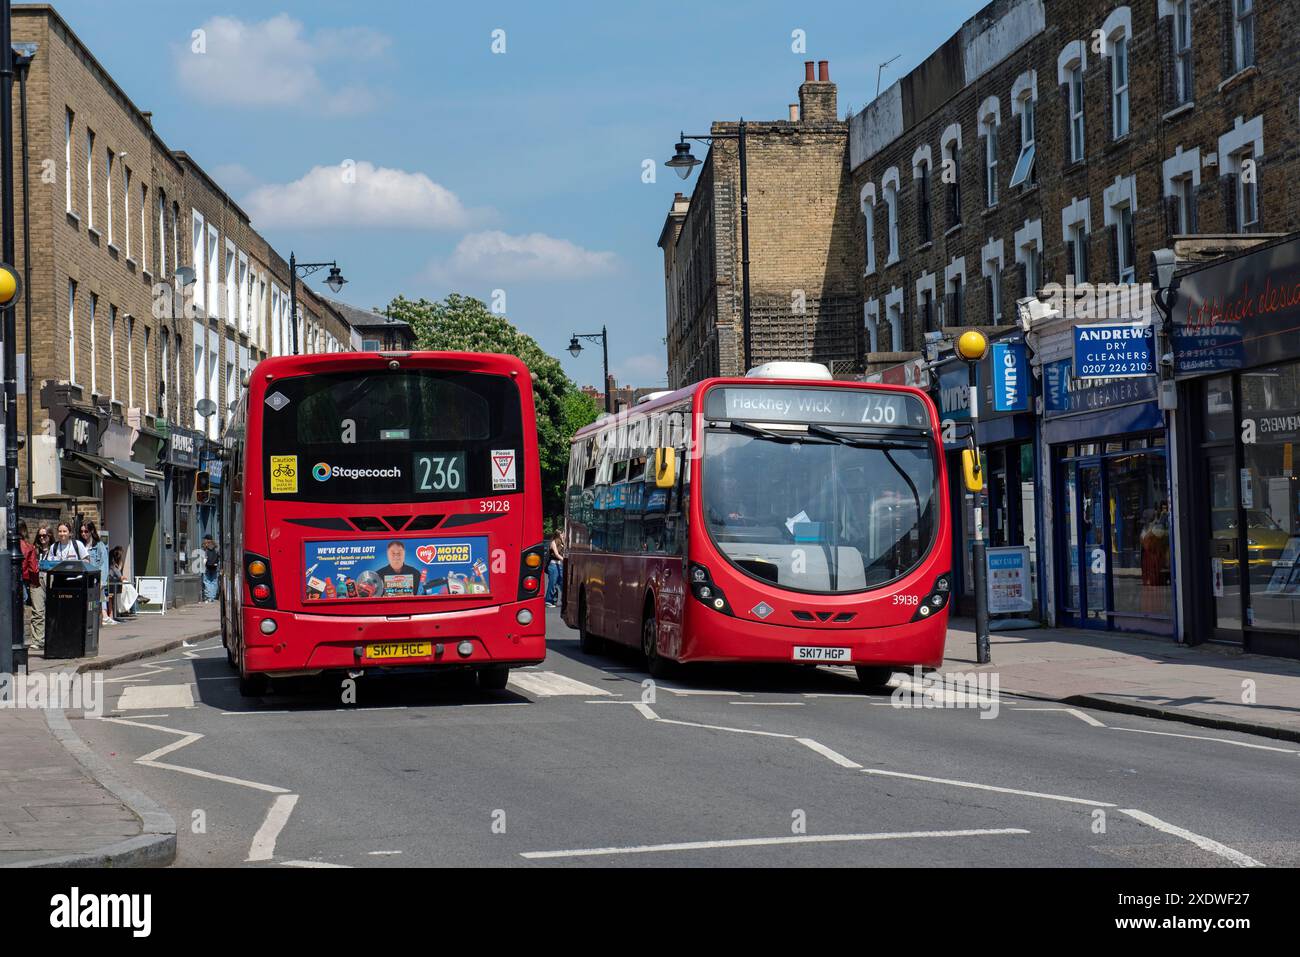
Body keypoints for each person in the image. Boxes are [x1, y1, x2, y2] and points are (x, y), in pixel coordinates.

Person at [81, 521, 113, 626]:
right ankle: (103, 616)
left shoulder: (99, 545)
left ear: (92, 531)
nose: (83, 534)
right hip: (84, 576)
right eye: (82, 531)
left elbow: (104, 564)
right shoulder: (80, 545)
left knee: (99, 595)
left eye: (86, 531)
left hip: (95, 576)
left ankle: (104, 616)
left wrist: (102, 581)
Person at [28, 525, 51, 651]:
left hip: (50, 578)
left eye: (45, 535)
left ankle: (50, 638)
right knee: (38, 611)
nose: (42, 538)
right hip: (36, 580)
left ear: (50, 536)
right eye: (40, 535)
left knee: (52, 610)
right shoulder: (34, 549)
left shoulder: (54, 549)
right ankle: (37, 640)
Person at [108, 546, 136, 620]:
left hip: (115, 585)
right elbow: (120, 577)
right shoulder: (113, 567)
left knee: (126, 587)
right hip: (112, 586)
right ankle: (135, 602)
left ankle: (133, 604)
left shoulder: (115, 565)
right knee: (127, 586)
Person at [545, 529, 565, 607]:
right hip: (553, 566)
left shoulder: (563, 543)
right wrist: (565, 560)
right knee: (552, 583)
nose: (564, 535)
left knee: (562, 583)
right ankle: (548, 601)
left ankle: (564, 600)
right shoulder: (553, 542)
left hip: (559, 565)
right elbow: (556, 554)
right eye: (563, 534)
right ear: (559, 534)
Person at [202, 535, 220, 602]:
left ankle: (209, 597)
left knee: (207, 581)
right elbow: (219, 556)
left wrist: (203, 565)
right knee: (214, 581)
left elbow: (204, 557)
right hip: (215, 566)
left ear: (207, 539)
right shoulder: (216, 546)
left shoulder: (205, 546)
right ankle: (213, 597)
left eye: (205, 539)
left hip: (207, 566)